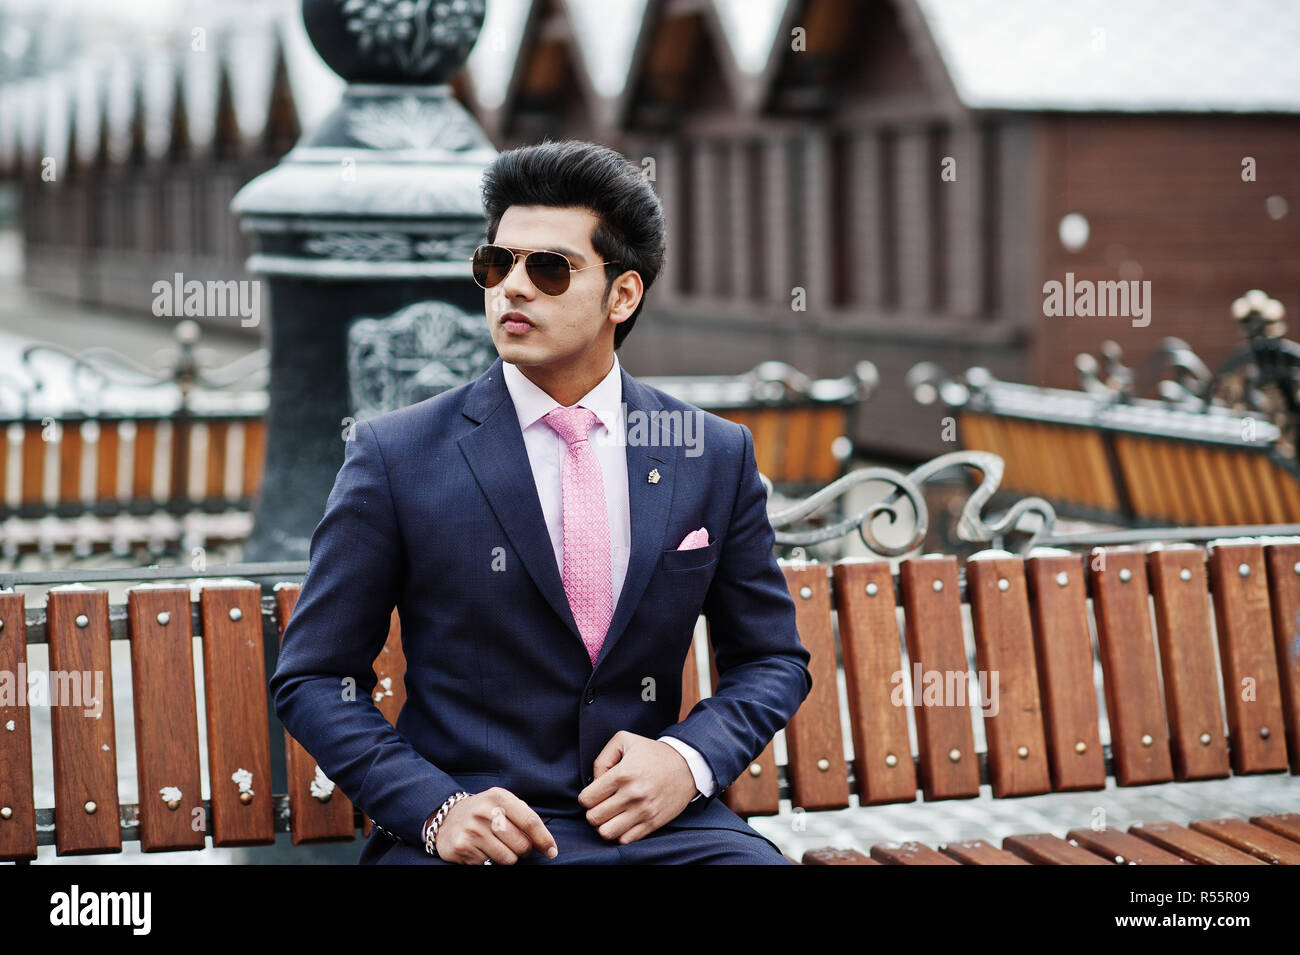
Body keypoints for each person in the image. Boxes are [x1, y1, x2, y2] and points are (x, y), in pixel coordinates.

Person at [270, 139, 812, 865]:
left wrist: (685, 762)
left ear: (624, 294)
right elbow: (314, 676)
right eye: (497, 263)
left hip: (656, 829)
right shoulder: (395, 455)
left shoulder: (708, 452)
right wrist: (434, 808)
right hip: (480, 834)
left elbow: (772, 656)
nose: (512, 288)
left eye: (549, 268)